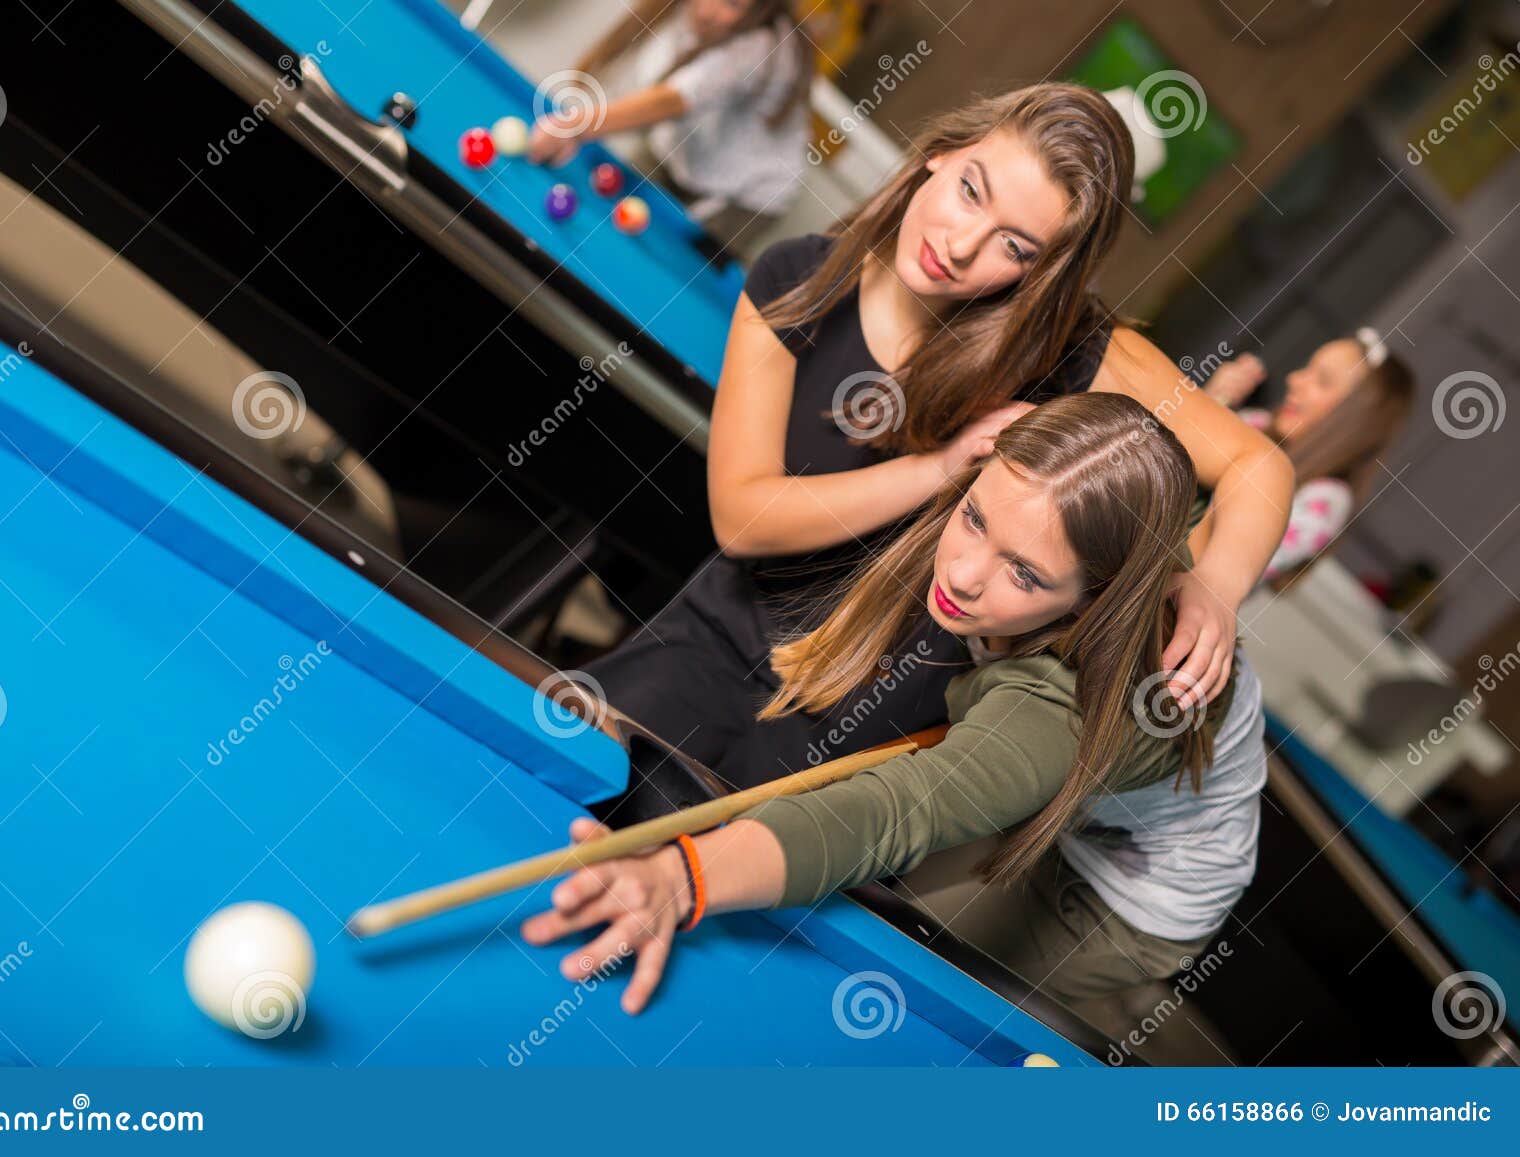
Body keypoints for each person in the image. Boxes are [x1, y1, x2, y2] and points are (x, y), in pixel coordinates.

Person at [585, 82, 1293, 795]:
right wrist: (941, 467)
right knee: (556, 794)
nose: (960, 246)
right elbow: (744, 519)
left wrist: (1213, 585)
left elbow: (1256, 464)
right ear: (942, 154)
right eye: (970, 191)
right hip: (709, 647)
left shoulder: (1070, 349)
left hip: (873, 725)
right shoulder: (798, 280)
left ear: (1042, 271)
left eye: (1014, 246)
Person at [524, 393, 1268, 1014]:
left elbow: (892, 812)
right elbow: (1254, 471)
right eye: (975, 518)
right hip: (1065, 801)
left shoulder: (1060, 715)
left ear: (1098, 599)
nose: (966, 575)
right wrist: (1225, 575)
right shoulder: (1099, 500)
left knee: (920, 1003)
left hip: (1124, 894)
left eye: (1025, 573)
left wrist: (683, 876)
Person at [527, 0, 812, 240]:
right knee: (605, 215)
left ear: (763, 9)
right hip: (675, 152)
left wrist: (577, 126)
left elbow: (673, 100)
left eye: (733, 3)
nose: (707, 10)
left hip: (742, 196)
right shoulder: (686, 10)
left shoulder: (763, 46)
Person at [1204, 327, 1413, 582]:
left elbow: (1224, 569)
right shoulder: (1257, 423)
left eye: (1322, 380)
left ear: (1352, 420)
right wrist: (1212, 402)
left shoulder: (1325, 500)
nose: (1294, 379)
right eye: (1307, 368)